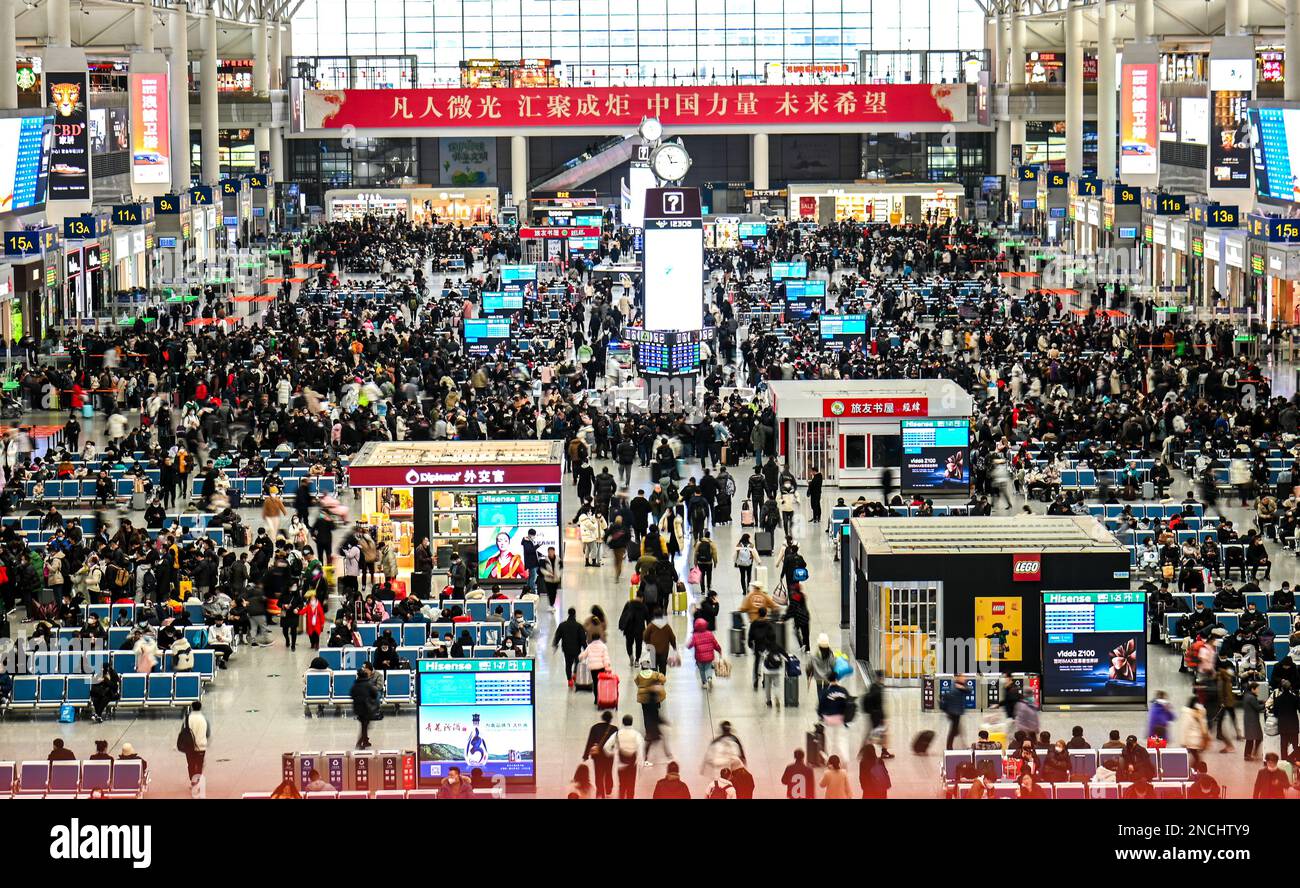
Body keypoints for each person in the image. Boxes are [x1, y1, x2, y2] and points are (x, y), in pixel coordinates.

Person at [602, 714, 645, 799]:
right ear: (632, 723)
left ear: (623, 723)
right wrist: (640, 762)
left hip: (621, 763)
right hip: (632, 763)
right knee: (631, 785)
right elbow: (640, 750)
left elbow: (606, 747)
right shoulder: (636, 734)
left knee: (622, 785)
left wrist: (612, 753)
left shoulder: (617, 734)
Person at [582, 712, 618, 799]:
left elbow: (590, 742)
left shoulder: (595, 727)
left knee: (598, 773)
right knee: (608, 772)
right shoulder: (614, 729)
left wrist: (585, 755)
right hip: (609, 755)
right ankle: (608, 789)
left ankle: (600, 790)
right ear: (610, 719)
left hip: (597, 756)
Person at [180, 701, 209, 798]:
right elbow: (207, 733)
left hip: (190, 746)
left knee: (191, 764)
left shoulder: (188, 719)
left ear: (192, 708)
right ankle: (197, 781)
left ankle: (193, 782)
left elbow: (183, 731)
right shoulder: (203, 719)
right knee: (199, 765)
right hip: (201, 746)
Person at [350, 662, 381, 750]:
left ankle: (365, 742)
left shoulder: (355, 685)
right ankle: (359, 743)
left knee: (364, 725)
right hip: (367, 709)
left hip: (358, 709)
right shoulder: (368, 684)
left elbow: (352, 694)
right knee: (365, 726)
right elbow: (375, 694)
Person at [552, 607, 587, 687]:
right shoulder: (579, 626)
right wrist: (585, 648)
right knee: (577, 661)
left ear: (568, 614)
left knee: (568, 664)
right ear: (575, 614)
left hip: (566, 649)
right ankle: (575, 673)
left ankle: (569, 680)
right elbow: (582, 638)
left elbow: (557, 636)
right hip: (576, 648)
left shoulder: (562, 625)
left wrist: (555, 644)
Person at [577, 627, 612, 706]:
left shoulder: (589, 646)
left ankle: (596, 698)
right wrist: (608, 668)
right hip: (601, 667)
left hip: (593, 668)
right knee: (601, 682)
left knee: (595, 683)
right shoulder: (603, 646)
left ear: (592, 639)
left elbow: (583, 655)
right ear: (599, 638)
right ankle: (601, 697)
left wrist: (580, 657)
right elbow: (605, 658)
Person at [687, 617, 722, 688]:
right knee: (708, 668)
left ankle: (704, 683)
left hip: (699, 658)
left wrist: (688, 644)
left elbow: (690, 645)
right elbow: (715, 644)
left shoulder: (695, 636)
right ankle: (709, 678)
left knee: (702, 670)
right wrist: (719, 650)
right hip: (709, 657)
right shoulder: (710, 634)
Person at [942, 673, 969, 751]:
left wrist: (963, 687)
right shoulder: (954, 687)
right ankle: (950, 747)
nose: (964, 678)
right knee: (954, 731)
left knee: (958, 730)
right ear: (957, 677)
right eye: (962, 677)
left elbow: (968, 691)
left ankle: (962, 746)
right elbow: (951, 700)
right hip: (954, 713)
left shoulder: (961, 685)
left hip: (957, 712)